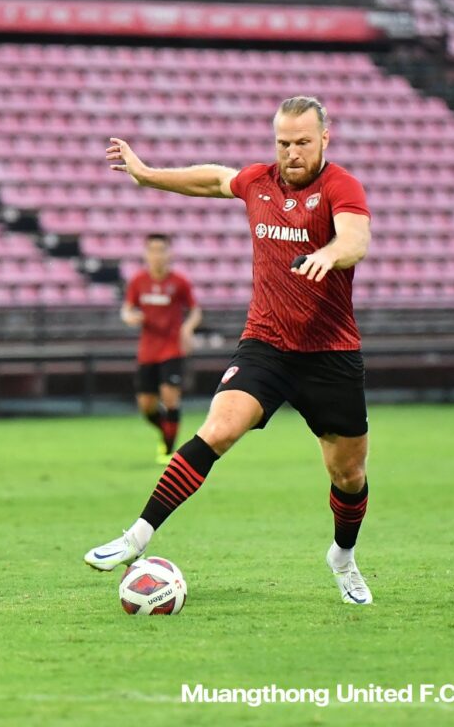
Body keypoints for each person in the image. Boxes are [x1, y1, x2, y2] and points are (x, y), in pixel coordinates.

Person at [87, 96, 375, 605]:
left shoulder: (340, 186)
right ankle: (135, 538)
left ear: (325, 139)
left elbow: (356, 239)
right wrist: (148, 175)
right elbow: (212, 179)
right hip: (266, 345)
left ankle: (343, 556)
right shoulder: (258, 182)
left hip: (330, 353)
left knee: (348, 475)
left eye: (303, 142)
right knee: (217, 429)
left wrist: (329, 254)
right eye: (283, 143)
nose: (292, 152)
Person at [123, 233, 202, 465]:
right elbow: (127, 309)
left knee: (170, 398)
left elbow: (195, 310)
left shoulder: (179, 282)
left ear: (169, 253)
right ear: (146, 254)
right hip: (148, 350)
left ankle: (168, 451)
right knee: (146, 405)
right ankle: (165, 432)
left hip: (172, 349)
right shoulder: (138, 281)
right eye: (153, 250)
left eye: (161, 250)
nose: (157, 255)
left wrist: (187, 329)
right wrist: (130, 317)